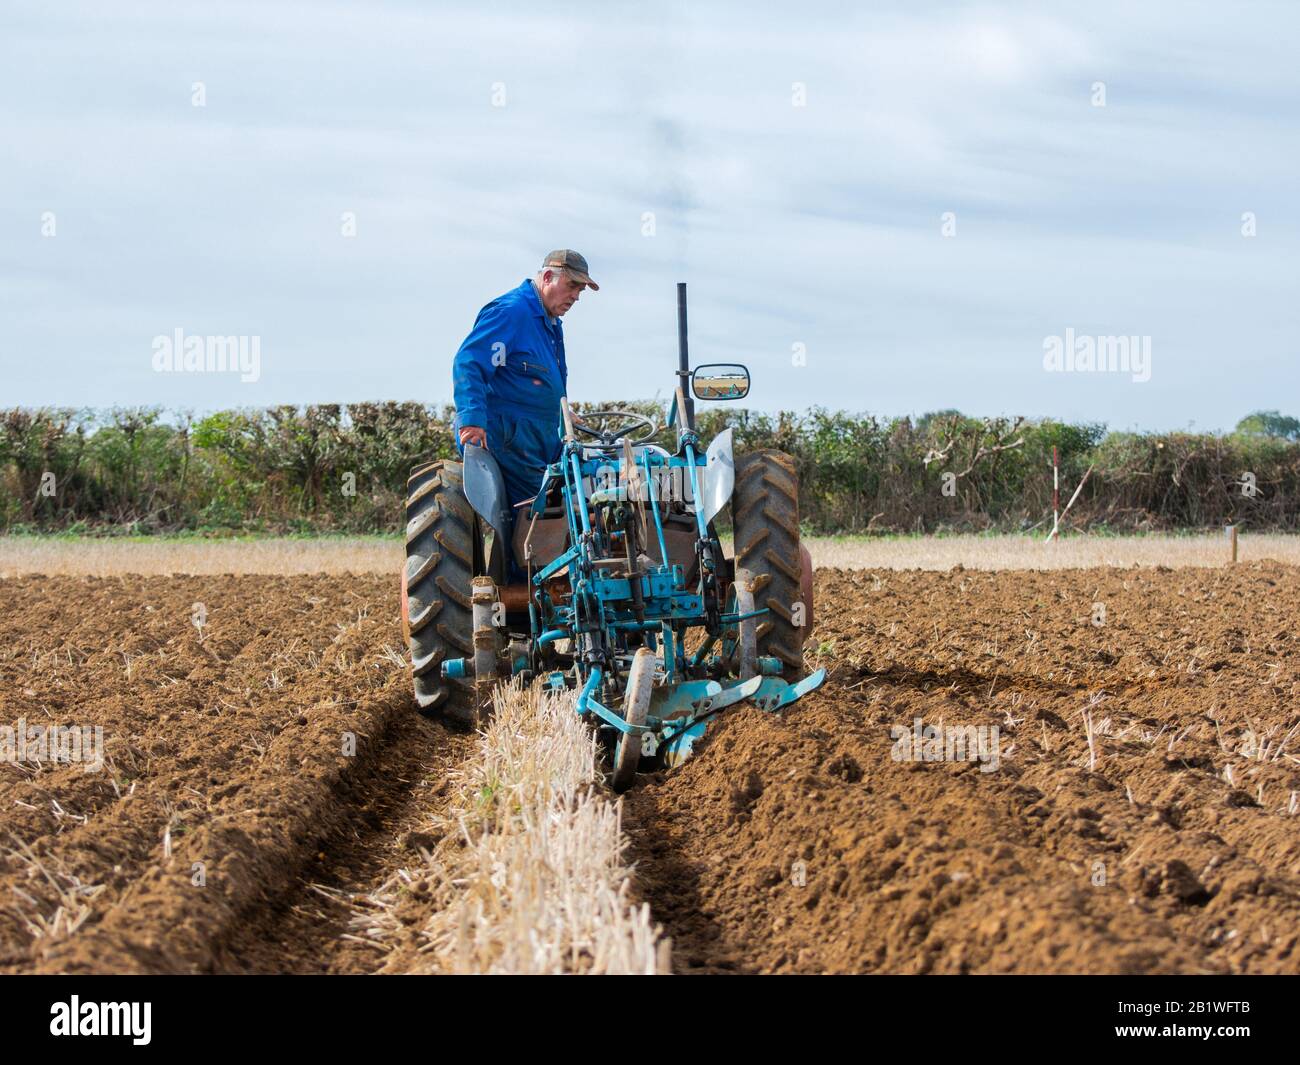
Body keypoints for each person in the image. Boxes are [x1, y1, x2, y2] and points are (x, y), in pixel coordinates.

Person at [451, 249, 598, 509]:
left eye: (580, 291)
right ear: (549, 277)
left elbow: (529, 379)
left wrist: (560, 412)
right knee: (545, 513)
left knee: (587, 486)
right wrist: (471, 421)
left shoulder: (548, 323)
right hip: (511, 442)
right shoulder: (512, 313)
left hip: (538, 440)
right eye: (572, 286)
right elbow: (470, 362)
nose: (576, 296)